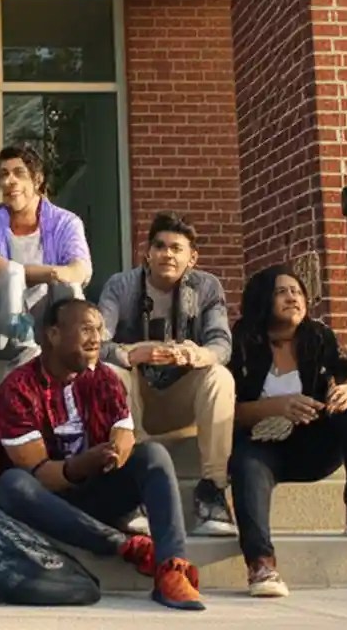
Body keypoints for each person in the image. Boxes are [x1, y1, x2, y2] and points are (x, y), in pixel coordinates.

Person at [0, 298, 205, 611]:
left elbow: (124, 433)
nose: (96, 339)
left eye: (99, 330)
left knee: (153, 455)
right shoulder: (18, 388)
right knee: (13, 485)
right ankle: (123, 545)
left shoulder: (104, 378)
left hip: (96, 492)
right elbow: (39, 474)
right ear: (53, 334)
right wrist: (82, 465)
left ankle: (172, 568)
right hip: (43, 503)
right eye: (85, 329)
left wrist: (116, 453)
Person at [228, 265, 347, 598]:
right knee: (246, 463)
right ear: (262, 299)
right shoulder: (242, 342)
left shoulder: (317, 336)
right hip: (262, 444)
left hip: (314, 445)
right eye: (282, 291)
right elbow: (229, 413)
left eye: (298, 292)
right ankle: (261, 563)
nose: (293, 298)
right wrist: (276, 406)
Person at [98, 211, 237, 536]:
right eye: (159, 246)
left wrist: (195, 354)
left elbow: (222, 344)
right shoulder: (120, 285)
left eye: (177, 248)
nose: (167, 254)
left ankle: (213, 491)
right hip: (136, 394)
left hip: (181, 400)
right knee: (111, 371)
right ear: (147, 252)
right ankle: (135, 485)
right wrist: (132, 353)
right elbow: (95, 342)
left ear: (192, 257)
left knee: (219, 376)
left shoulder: (207, 287)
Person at [0, 145, 92, 364]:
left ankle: (75, 352)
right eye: (3, 175)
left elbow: (80, 271)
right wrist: (49, 272)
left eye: (19, 173)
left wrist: (53, 275)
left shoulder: (65, 222)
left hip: (46, 323)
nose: (9, 181)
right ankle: (23, 350)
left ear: (37, 179)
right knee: (12, 274)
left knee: (68, 285)